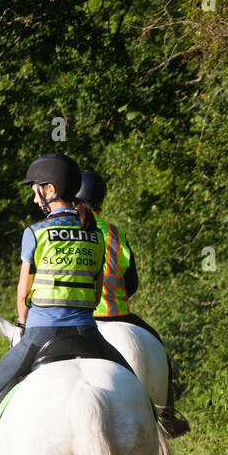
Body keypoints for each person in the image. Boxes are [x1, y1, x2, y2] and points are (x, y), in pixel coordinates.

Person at [0, 153, 134, 455]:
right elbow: (97, 292)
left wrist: (23, 325)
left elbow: (23, 294)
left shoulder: (35, 233)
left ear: (50, 190)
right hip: (88, 332)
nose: (35, 198)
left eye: (37, 191)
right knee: (137, 390)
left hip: (41, 335)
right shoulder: (96, 236)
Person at [77, 169, 189, 437]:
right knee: (157, 346)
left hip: (80, 317)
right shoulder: (115, 233)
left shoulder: (66, 230)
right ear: (99, 201)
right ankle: (169, 421)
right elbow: (132, 282)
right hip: (119, 315)